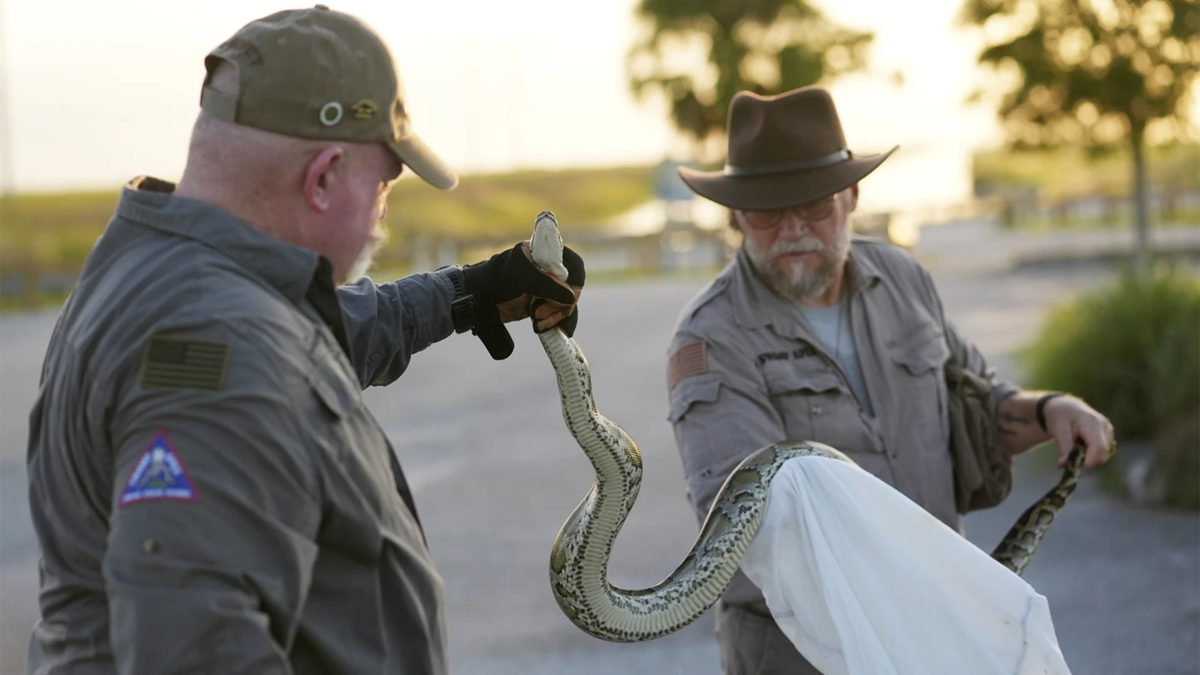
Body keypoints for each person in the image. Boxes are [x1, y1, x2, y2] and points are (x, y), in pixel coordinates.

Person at [25, 6, 584, 675]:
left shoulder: (166, 277)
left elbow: (306, 341)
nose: (383, 209)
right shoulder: (218, 349)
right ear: (321, 178)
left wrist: (470, 294)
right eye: (383, 183)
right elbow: (195, 652)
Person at [664, 86, 1116, 675]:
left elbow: (976, 404)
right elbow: (752, 521)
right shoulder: (709, 338)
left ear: (851, 196)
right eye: (767, 213)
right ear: (736, 219)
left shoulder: (902, 278)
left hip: (935, 627)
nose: (794, 229)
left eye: (815, 206)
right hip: (800, 652)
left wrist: (1050, 410)